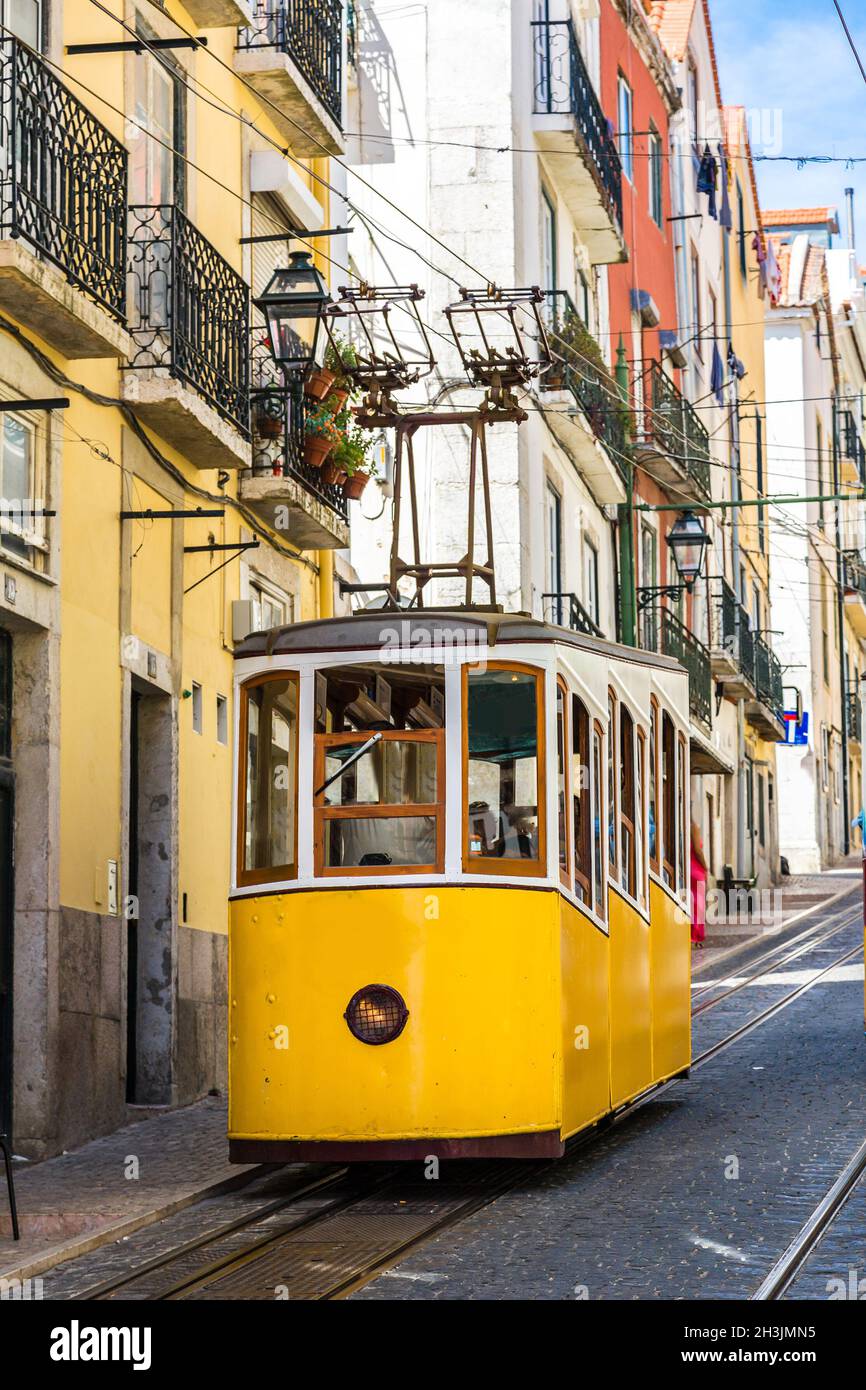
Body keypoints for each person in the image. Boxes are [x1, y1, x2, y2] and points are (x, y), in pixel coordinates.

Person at [690, 819, 708, 946]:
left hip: (690, 870)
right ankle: (695, 937)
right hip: (696, 870)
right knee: (698, 906)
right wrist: (706, 867)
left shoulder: (684, 826)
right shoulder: (694, 826)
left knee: (693, 904)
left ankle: (693, 936)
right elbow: (698, 850)